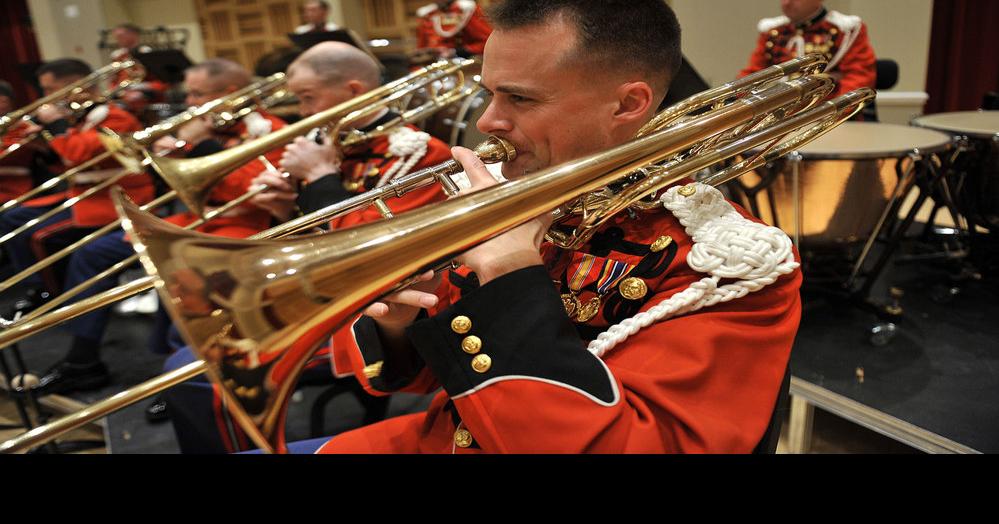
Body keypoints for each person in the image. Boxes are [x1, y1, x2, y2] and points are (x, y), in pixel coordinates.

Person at [264, 0, 802, 454]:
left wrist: (508, 276)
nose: (486, 122)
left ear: (628, 103)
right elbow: (443, 374)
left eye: (519, 98)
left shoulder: (723, 262)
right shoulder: (525, 196)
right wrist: (403, 324)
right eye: (490, 92)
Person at [159, 42, 456, 453]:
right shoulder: (336, 145)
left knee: (193, 372)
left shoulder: (421, 154)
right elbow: (315, 239)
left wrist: (319, 179)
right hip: (314, 292)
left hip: (364, 318)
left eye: (307, 98)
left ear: (353, 91)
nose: (300, 113)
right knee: (192, 322)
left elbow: (371, 255)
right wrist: (285, 208)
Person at [29, 58, 287, 397]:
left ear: (231, 92)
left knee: (177, 271)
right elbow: (180, 189)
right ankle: (83, 359)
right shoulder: (207, 125)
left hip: (241, 227)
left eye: (197, 94)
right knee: (92, 254)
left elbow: (252, 192)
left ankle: (183, 378)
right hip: (196, 222)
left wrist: (196, 146)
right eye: (189, 93)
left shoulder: (269, 129)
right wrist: (168, 158)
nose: (190, 103)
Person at [0, 59, 151, 302]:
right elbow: (69, 164)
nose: (46, 97)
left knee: (38, 236)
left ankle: (52, 294)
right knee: (13, 219)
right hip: (85, 194)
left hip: (115, 199)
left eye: (50, 89)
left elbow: (79, 153)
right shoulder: (81, 118)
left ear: (74, 85)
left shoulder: (115, 117)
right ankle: (41, 287)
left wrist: (57, 127)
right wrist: (44, 146)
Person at [739, 0, 875, 98]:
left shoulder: (844, 30)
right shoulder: (774, 31)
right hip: (777, 116)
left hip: (825, 115)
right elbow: (754, 75)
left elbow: (858, 78)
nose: (786, 3)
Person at [107, 23, 168, 117]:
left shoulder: (147, 54)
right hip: (125, 93)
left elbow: (162, 82)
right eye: (116, 37)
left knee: (134, 99)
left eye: (120, 36)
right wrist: (114, 92)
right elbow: (114, 81)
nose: (117, 40)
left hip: (146, 95)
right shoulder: (119, 56)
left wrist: (142, 86)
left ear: (133, 35)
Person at [415, 0, 492, 59]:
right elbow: (422, 46)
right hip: (433, 65)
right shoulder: (429, 14)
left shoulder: (466, 11)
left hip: (461, 63)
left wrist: (456, 52)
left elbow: (486, 42)